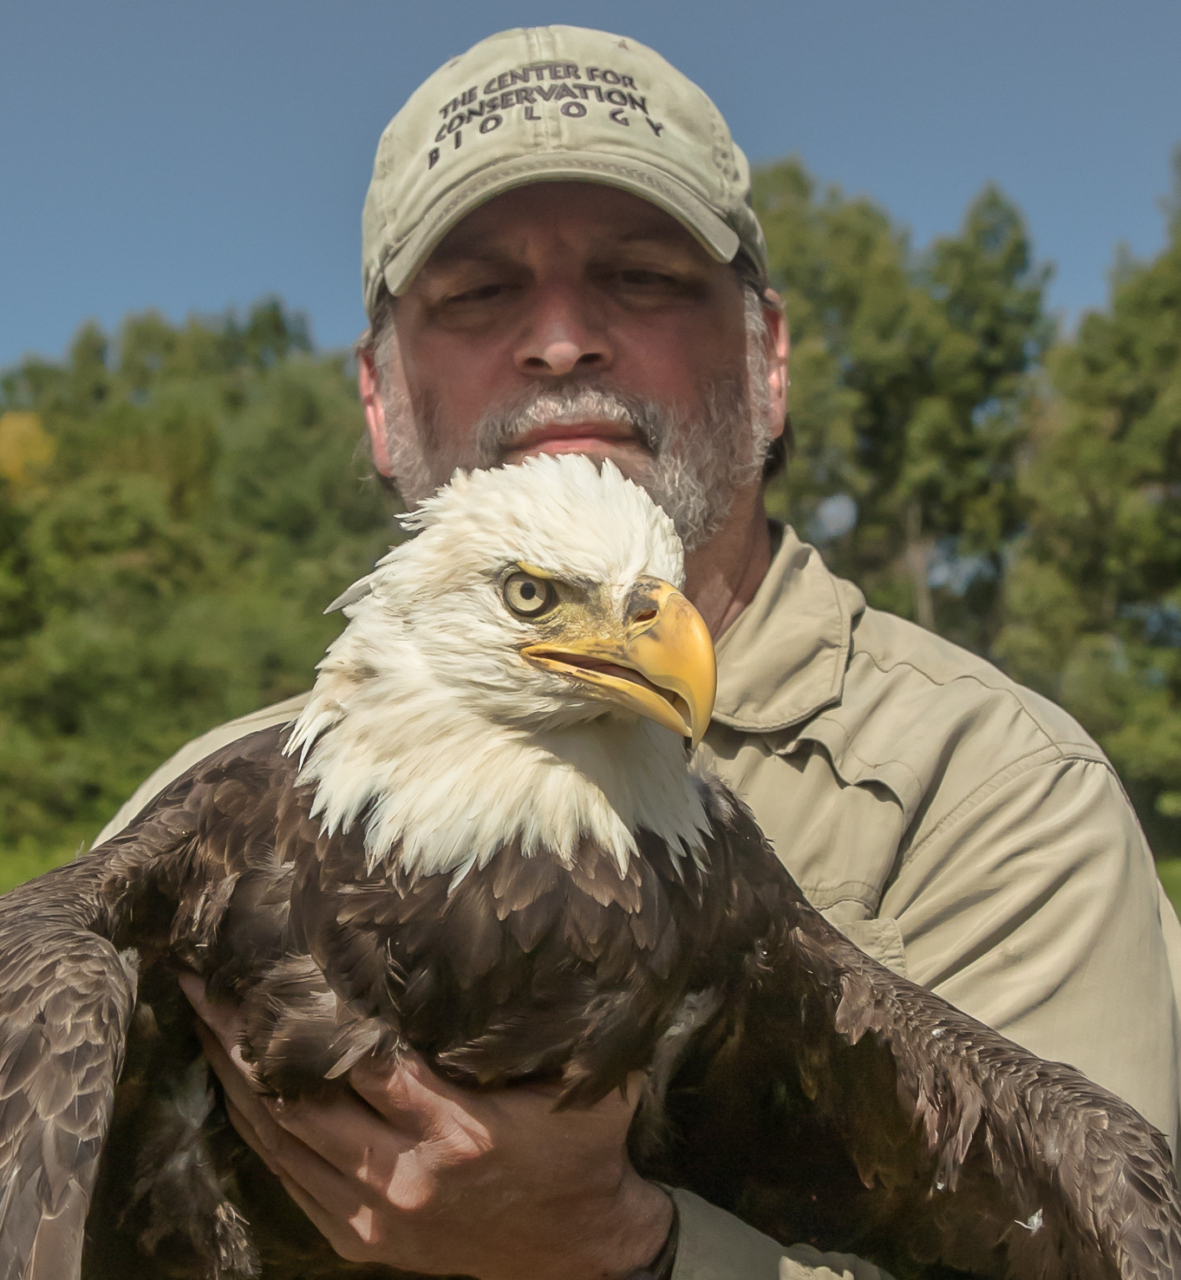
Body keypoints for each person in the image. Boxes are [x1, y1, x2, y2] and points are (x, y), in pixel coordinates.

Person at [96, 25, 1181, 1280]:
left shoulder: (990, 789)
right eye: (479, 294)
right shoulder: (193, 813)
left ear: (768, 360)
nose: (561, 342)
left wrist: (607, 1245)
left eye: (644, 277)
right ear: (381, 402)